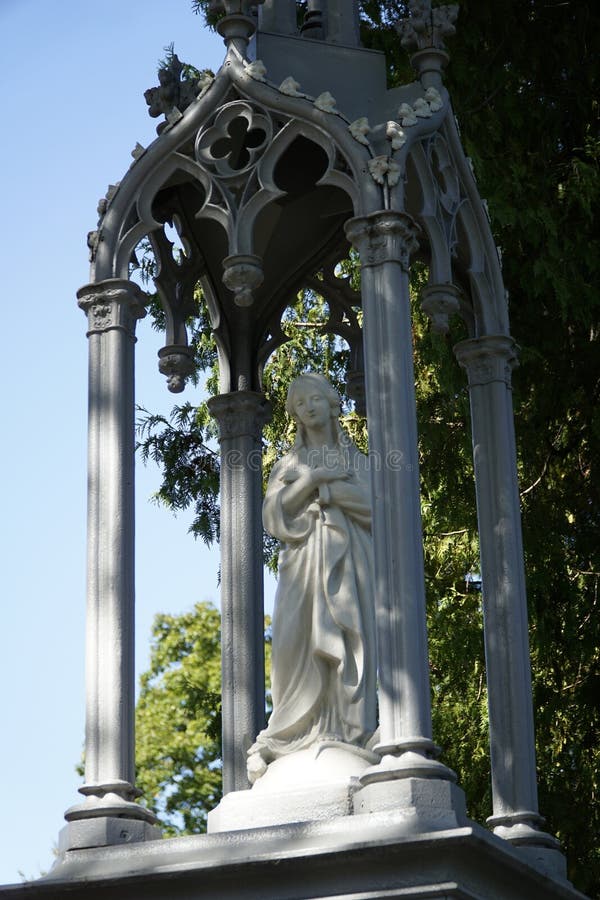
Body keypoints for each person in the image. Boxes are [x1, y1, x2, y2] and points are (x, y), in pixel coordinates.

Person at [247, 373, 377, 783]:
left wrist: (326, 495)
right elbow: (273, 514)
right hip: (301, 567)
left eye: (315, 398)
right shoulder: (288, 465)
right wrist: (315, 479)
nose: (308, 407)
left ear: (333, 403)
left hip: (350, 561)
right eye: (299, 403)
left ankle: (346, 730)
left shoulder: (358, 461)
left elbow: (375, 507)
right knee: (292, 643)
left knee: (348, 634)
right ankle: (291, 732)